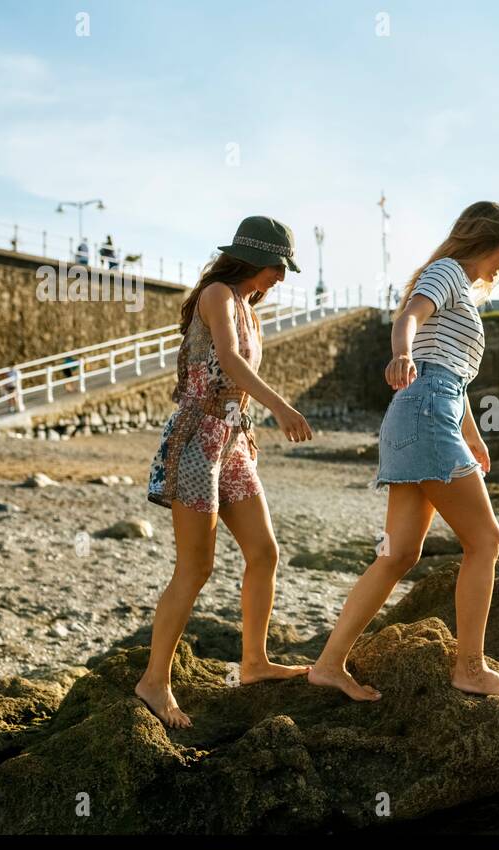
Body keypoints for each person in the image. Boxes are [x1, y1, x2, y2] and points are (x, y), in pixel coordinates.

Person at [307, 201, 499, 701]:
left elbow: (450, 374)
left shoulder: (462, 293)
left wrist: (472, 435)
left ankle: (327, 664)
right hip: (426, 413)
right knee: (486, 540)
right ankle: (469, 667)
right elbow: (410, 317)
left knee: (398, 553)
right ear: (483, 239)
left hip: (426, 412)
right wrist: (400, 352)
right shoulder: (446, 272)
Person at [137, 216, 314, 728]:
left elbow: (241, 372)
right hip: (197, 442)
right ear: (256, 260)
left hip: (233, 445)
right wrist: (283, 407)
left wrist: (258, 421)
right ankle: (154, 682)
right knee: (195, 568)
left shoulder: (250, 311)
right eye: (279, 266)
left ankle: (254, 662)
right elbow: (231, 363)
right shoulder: (216, 293)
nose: (282, 276)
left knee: (264, 552)